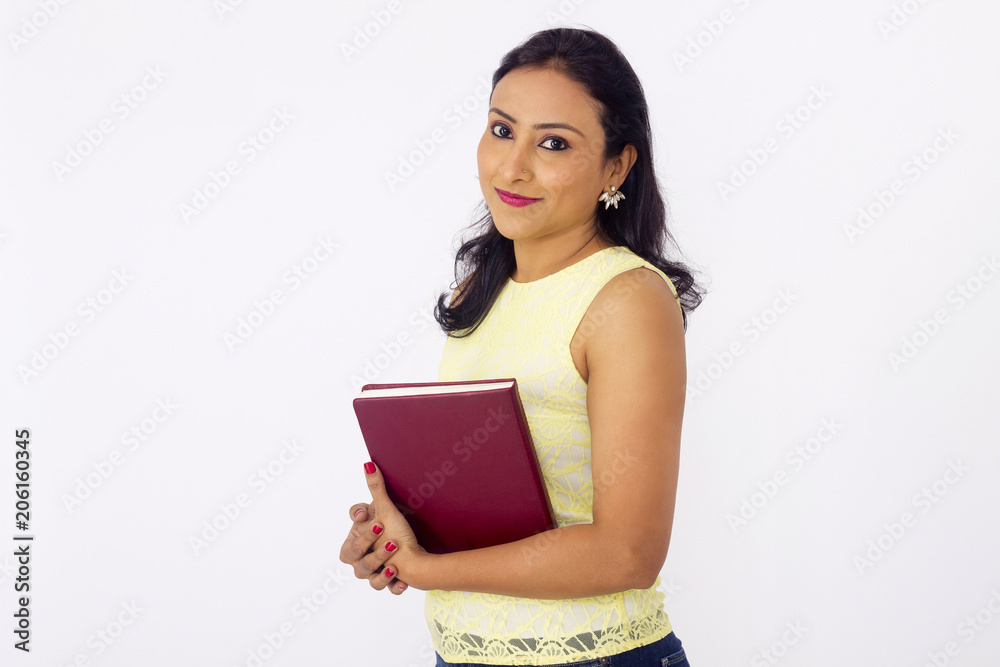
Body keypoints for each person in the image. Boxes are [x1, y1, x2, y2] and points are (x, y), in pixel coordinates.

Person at [340, 27, 705, 667]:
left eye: (554, 143)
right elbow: (488, 508)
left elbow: (629, 552)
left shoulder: (627, 301)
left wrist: (428, 568)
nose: (513, 166)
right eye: (502, 130)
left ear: (617, 166)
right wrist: (394, 537)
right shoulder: (478, 291)